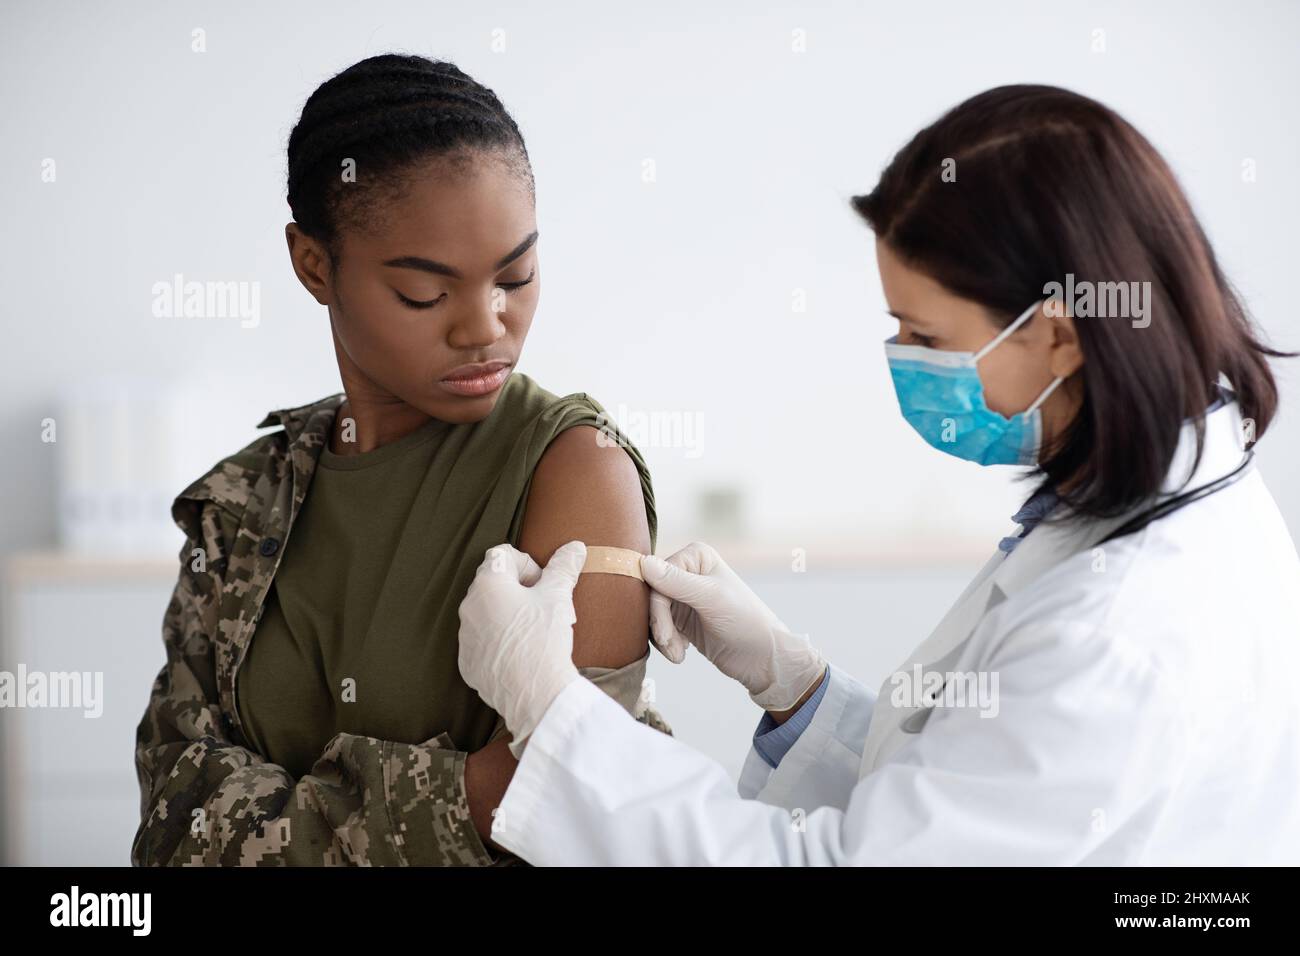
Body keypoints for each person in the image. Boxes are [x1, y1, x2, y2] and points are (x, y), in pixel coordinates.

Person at [456, 84, 1300, 865]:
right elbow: (949, 803)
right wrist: (797, 689)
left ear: (1062, 334)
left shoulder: (1118, 624)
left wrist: (550, 710)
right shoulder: (1155, 513)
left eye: (927, 338)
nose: (904, 364)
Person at [131, 54, 669, 867]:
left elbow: (581, 811)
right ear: (315, 265)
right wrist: (462, 796)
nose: (486, 327)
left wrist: (280, 812)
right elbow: (175, 821)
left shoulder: (576, 468)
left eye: (516, 276)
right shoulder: (244, 501)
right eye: (426, 294)